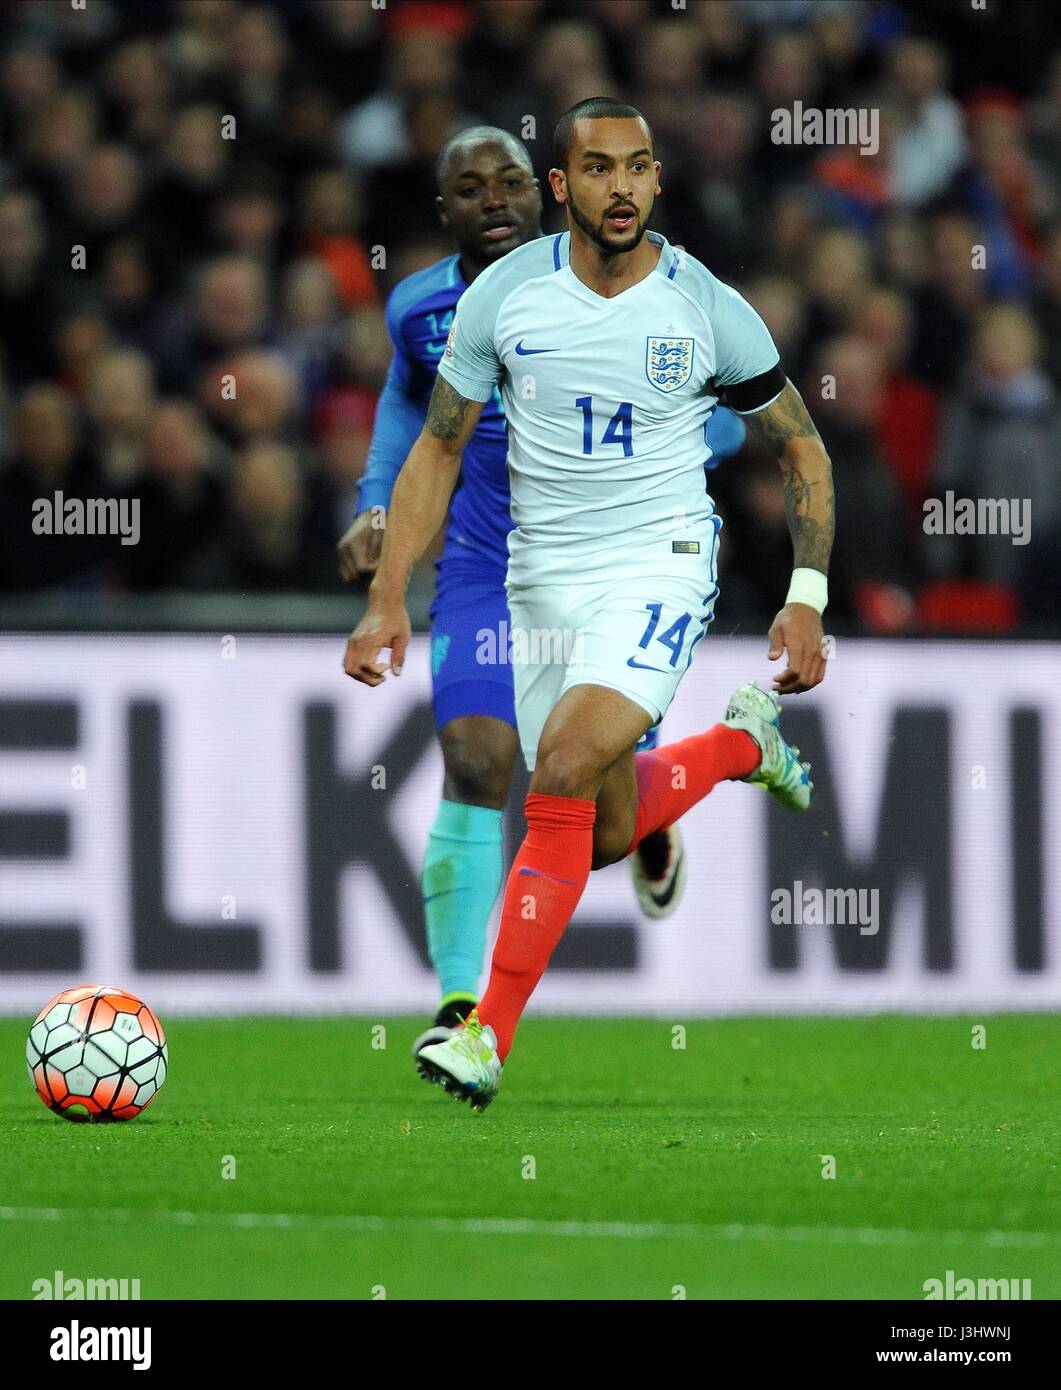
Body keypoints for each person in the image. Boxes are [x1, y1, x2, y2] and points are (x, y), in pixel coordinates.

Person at [344, 99, 834, 1110]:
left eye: (640, 167)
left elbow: (797, 445)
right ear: (564, 188)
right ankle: (741, 746)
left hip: (657, 563)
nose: (622, 187)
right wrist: (389, 594)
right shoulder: (501, 301)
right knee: (597, 831)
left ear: (657, 181)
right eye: (599, 168)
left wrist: (805, 594)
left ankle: (482, 1033)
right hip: (538, 578)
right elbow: (436, 443)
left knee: (557, 766)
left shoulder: (705, 303)